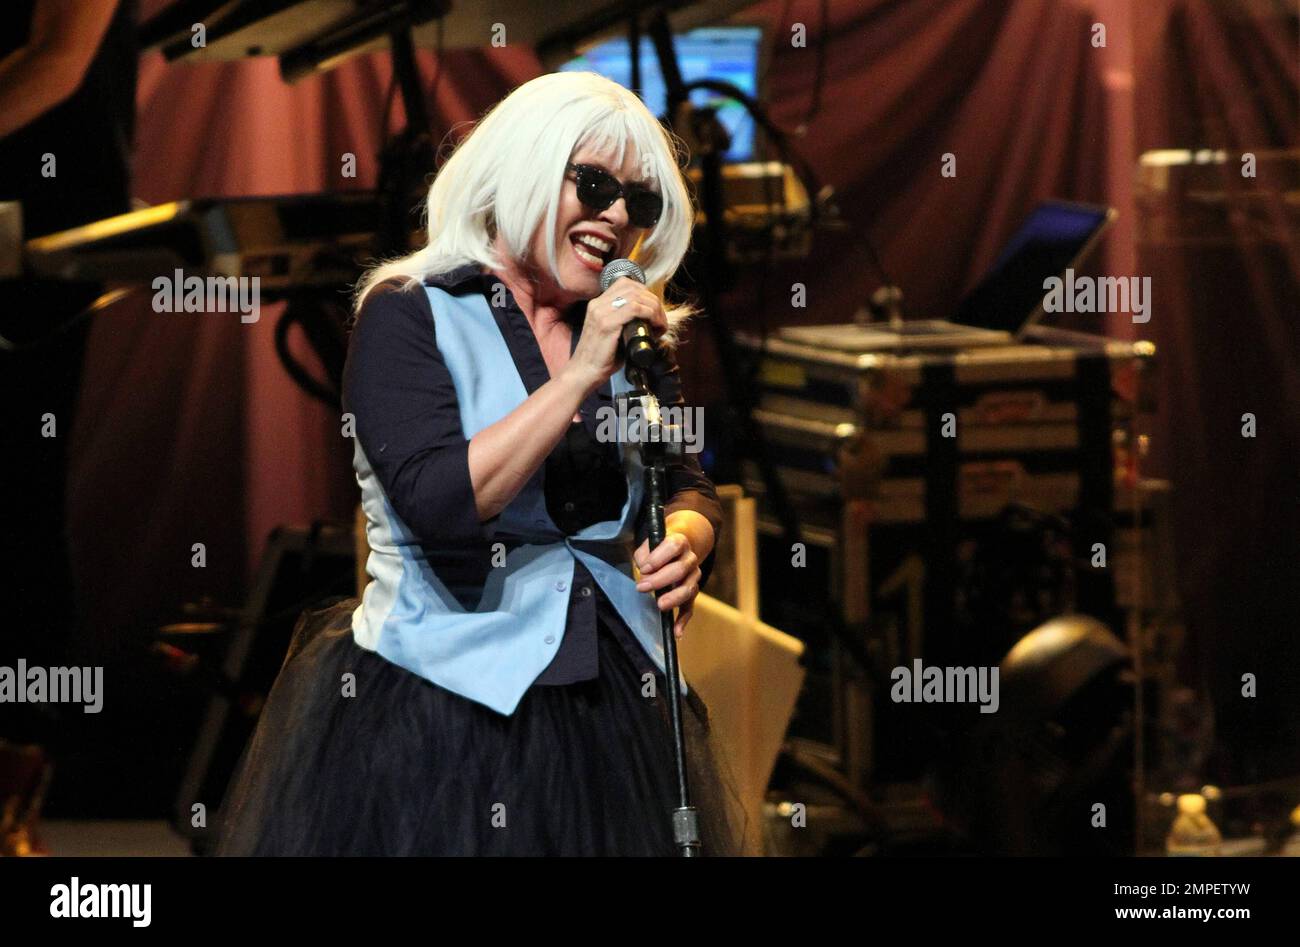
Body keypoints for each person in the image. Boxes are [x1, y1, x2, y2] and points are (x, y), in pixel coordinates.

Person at [215, 71, 750, 856]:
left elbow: (684, 480)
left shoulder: (627, 332)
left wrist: (690, 541)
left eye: (639, 202)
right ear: (525, 164)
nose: (616, 216)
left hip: (612, 693)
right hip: (448, 704)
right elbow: (440, 500)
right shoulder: (408, 310)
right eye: (595, 185)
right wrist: (576, 376)